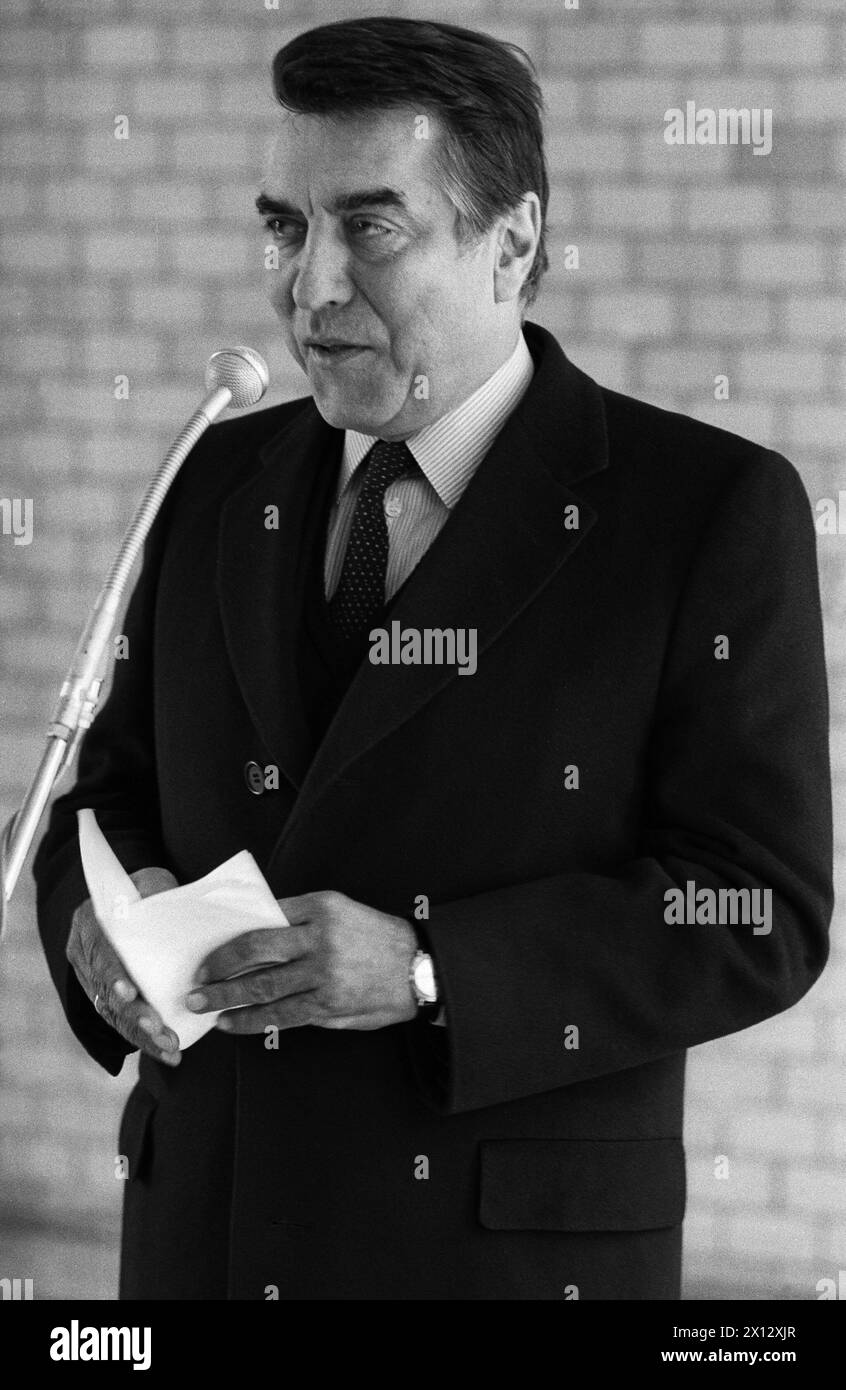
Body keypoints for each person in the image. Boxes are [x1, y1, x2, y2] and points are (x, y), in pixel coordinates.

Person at [33, 17, 832, 1301]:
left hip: (497, 1262)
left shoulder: (706, 512)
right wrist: (98, 934)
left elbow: (759, 907)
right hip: (203, 1240)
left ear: (511, 242)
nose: (310, 287)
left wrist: (425, 967)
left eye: (371, 227)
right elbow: (102, 797)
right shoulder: (216, 477)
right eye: (287, 228)